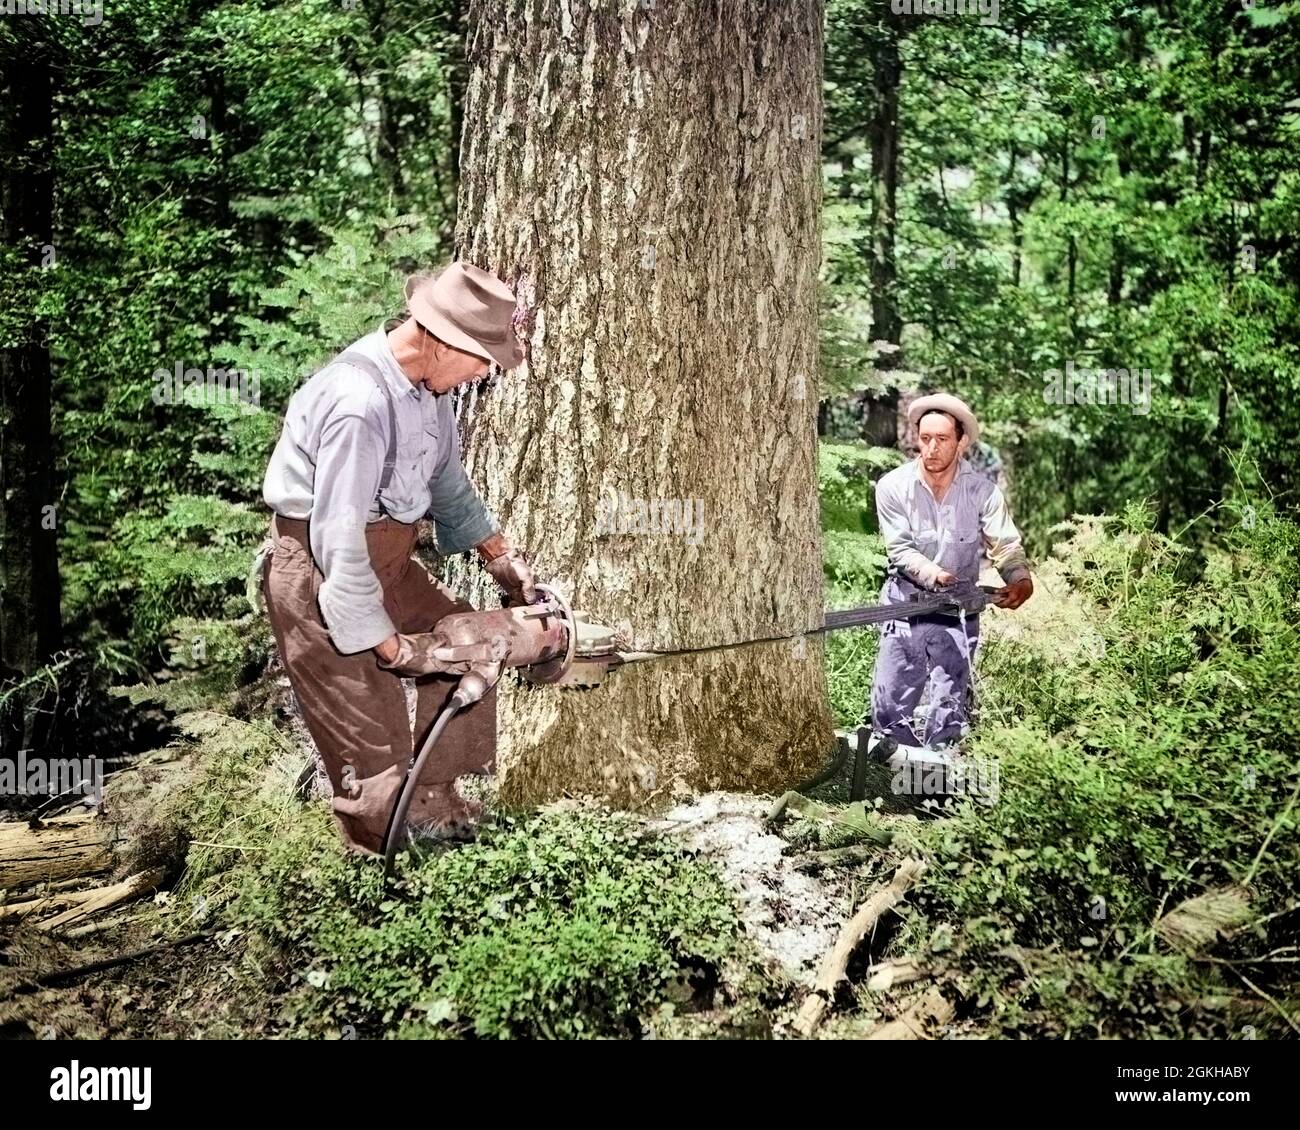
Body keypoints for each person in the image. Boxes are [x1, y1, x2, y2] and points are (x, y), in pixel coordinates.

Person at [260, 263, 538, 855]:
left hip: (384, 559)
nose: (485, 374)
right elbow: (336, 542)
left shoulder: (428, 387)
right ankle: (382, 867)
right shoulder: (359, 404)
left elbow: (445, 479)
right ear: (441, 342)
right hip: (319, 570)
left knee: (466, 640)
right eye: (482, 360)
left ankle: (436, 796)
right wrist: (384, 644)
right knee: (372, 736)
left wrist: (498, 555)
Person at [869, 393, 1033, 750]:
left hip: (959, 612)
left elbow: (1004, 545)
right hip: (905, 606)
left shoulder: (983, 492)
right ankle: (891, 786)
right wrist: (937, 576)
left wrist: (1019, 579)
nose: (931, 448)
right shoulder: (892, 486)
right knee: (889, 707)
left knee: (950, 710)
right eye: (924, 438)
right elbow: (900, 550)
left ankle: (937, 791)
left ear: (961, 441)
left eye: (942, 439)